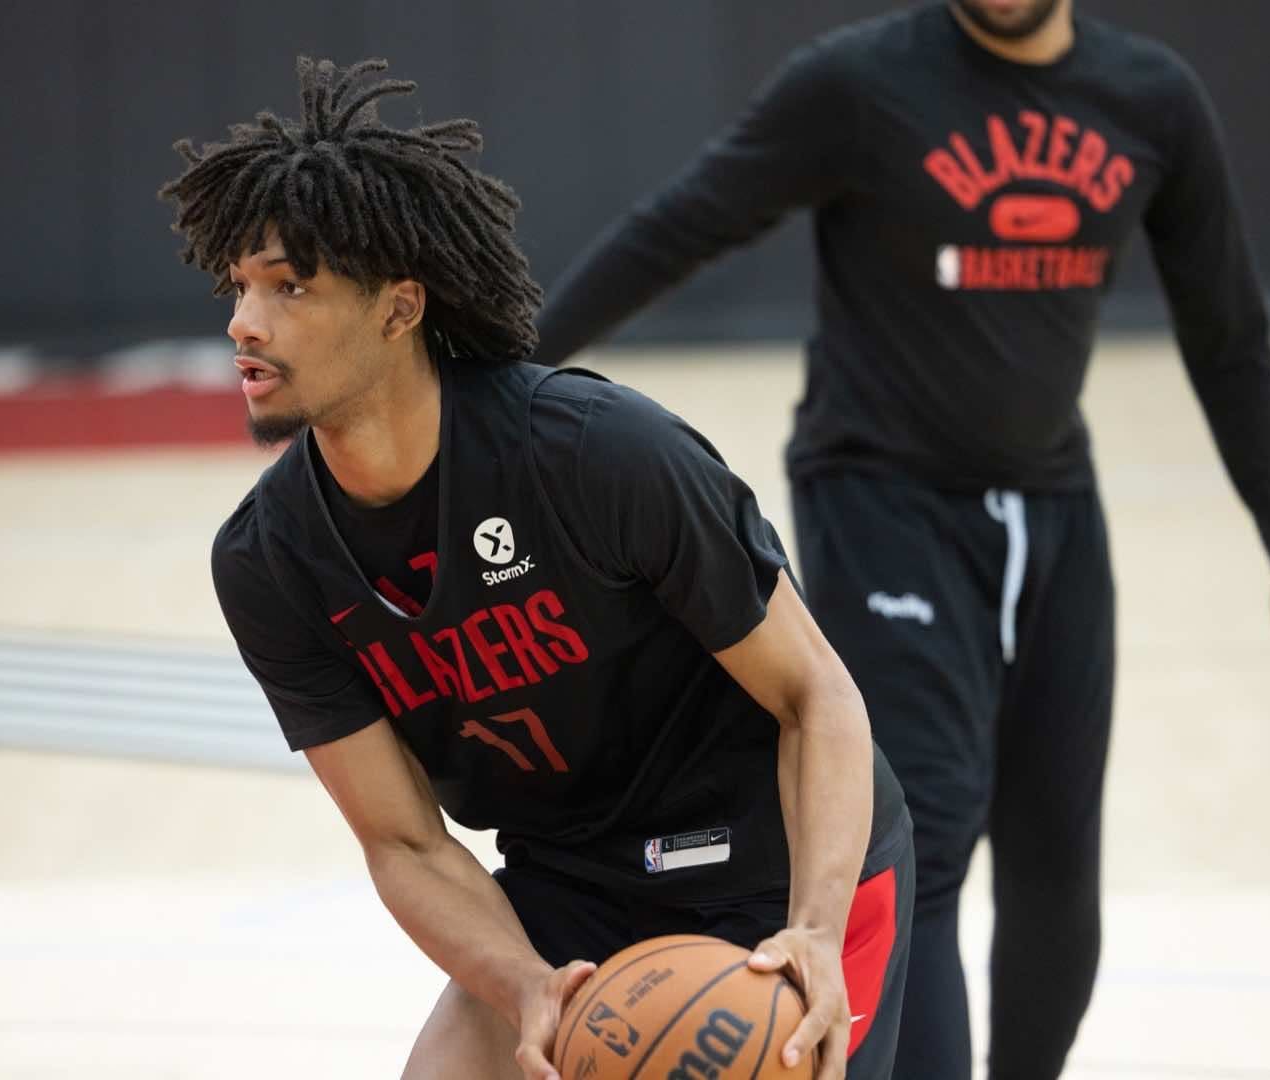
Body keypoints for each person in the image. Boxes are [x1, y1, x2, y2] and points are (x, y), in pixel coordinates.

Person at [533, 2, 1270, 1076]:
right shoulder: (861, 84)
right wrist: (508, 378)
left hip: (1055, 510)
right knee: (923, 859)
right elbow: (679, 225)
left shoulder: (1151, 100)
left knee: (1059, 875)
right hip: (884, 506)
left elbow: (1228, 333)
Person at [160, 56, 916, 1080]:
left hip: (778, 862)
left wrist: (815, 932)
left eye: (292, 287)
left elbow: (814, 697)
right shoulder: (270, 562)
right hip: (573, 882)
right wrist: (524, 983)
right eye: (240, 288)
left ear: (398, 309)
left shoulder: (593, 452)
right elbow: (407, 846)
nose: (244, 323)